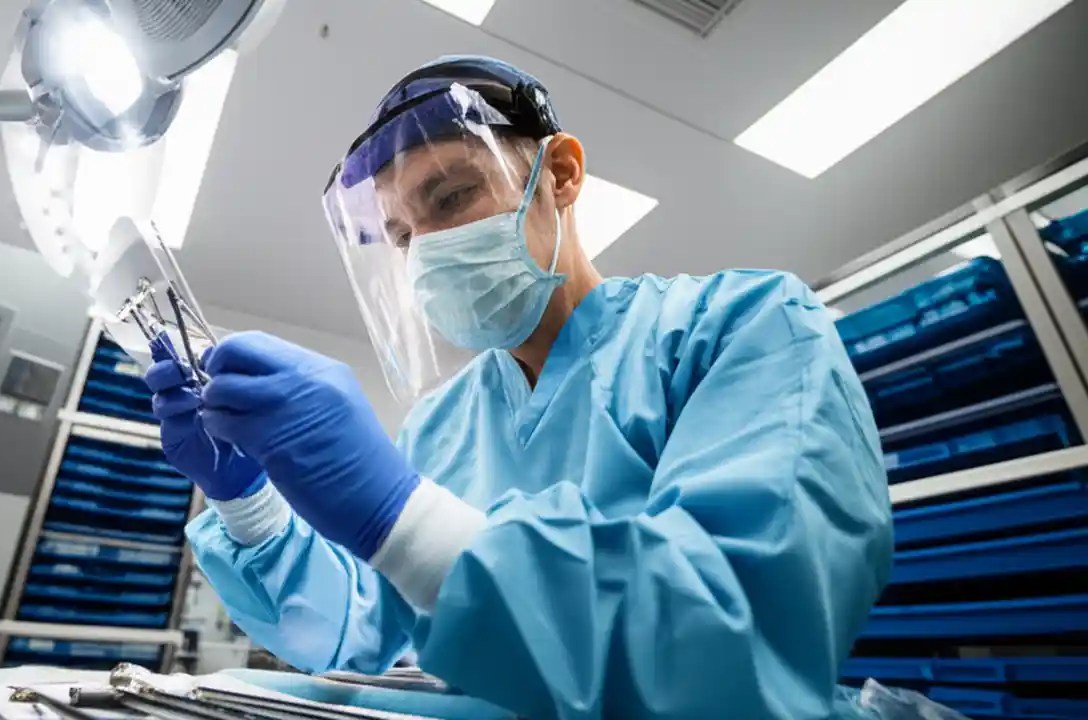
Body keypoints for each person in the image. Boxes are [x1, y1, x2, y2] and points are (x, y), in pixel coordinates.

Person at [146, 55, 894, 719]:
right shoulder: (444, 425)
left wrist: (405, 522)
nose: (425, 250)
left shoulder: (744, 329)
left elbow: (739, 641)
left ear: (560, 175)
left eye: (450, 197)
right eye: (403, 234)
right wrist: (249, 506)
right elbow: (365, 640)